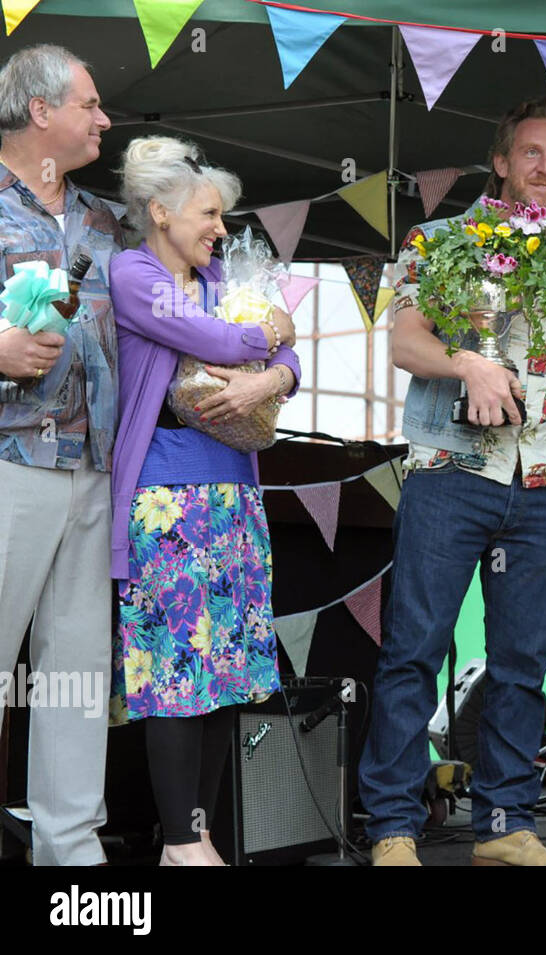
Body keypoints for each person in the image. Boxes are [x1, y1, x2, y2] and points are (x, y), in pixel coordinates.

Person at [360, 98, 546, 867]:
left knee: (523, 662)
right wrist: (470, 363)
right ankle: (392, 824)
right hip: (452, 472)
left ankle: (505, 823)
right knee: (415, 648)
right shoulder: (442, 238)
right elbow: (405, 339)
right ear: (501, 160)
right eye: (532, 153)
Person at [108, 136, 300, 866]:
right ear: (160, 211)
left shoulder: (223, 276)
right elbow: (207, 334)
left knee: (227, 677)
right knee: (173, 675)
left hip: (236, 501)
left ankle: (200, 834)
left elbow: (290, 358)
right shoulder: (134, 273)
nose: (222, 228)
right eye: (209, 213)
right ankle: (181, 839)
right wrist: (267, 336)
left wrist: (269, 378)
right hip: (166, 505)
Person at [0, 45, 120, 866]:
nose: (104, 119)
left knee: (78, 673)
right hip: (8, 465)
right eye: (90, 104)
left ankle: (70, 850)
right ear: (40, 112)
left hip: (94, 468)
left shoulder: (107, 220)